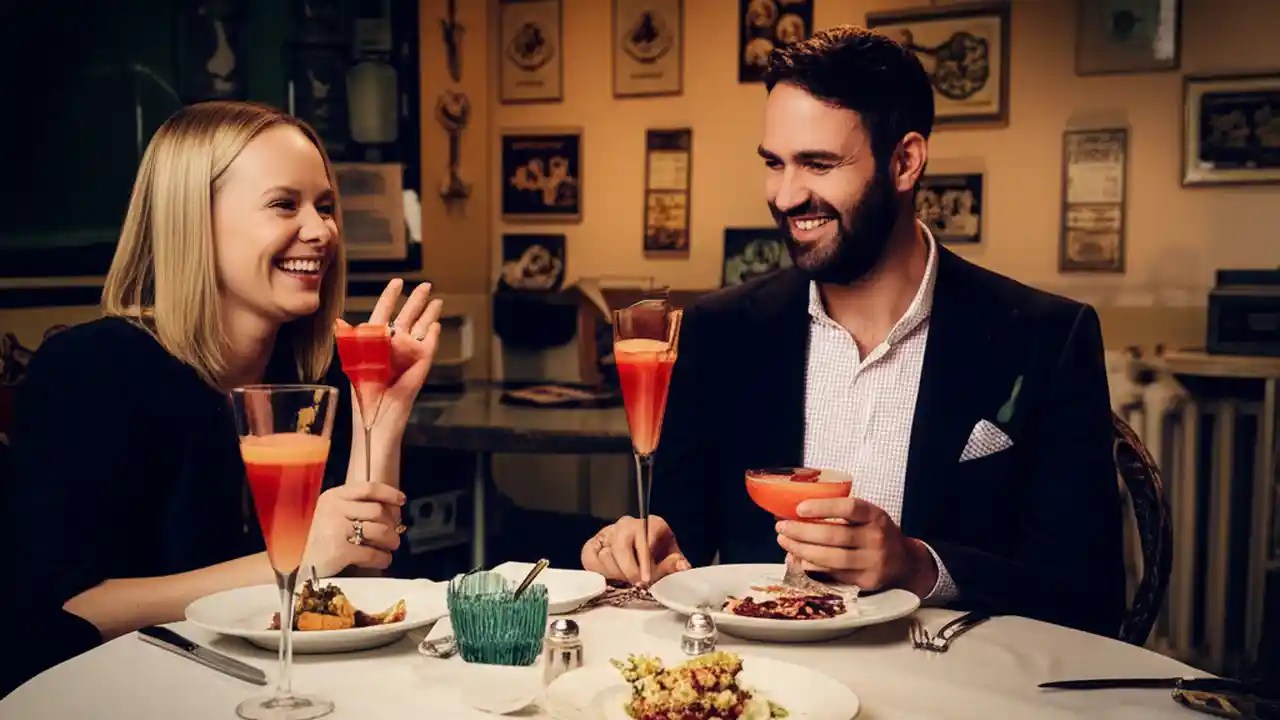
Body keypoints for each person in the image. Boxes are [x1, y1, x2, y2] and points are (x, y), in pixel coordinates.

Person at [581, 27, 1125, 637]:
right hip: (763, 678)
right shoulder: (719, 331)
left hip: (953, 680)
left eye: (818, 164)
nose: (787, 195)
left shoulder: (1047, 338)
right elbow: (677, 541)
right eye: (774, 164)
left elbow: (1090, 597)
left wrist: (920, 567)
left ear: (905, 161)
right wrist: (639, 547)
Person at [2, 101, 443, 683]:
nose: (322, 230)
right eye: (284, 204)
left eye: (325, 206)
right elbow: (65, 610)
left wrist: (379, 420)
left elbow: (358, 592)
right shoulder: (90, 371)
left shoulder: (316, 378)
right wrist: (291, 558)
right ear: (194, 221)